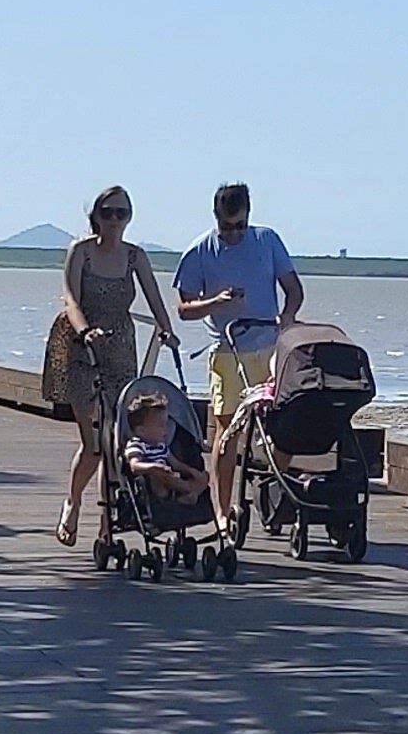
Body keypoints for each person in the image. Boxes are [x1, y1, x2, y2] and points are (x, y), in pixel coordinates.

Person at [51, 188, 179, 546]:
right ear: (96, 215)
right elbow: (70, 299)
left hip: (122, 349)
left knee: (118, 440)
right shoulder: (82, 251)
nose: (115, 220)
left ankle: (108, 524)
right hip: (83, 349)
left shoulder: (135, 256)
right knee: (94, 442)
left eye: (122, 213)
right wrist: (85, 330)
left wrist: (166, 330)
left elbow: (154, 297)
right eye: (108, 213)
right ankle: (73, 502)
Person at [172, 182, 304, 528]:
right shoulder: (200, 251)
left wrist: (288, 317)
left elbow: (293, 289)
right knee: (226, 431)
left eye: (240, 226)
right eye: (227, 227)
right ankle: (222, 510)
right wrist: (215, 302)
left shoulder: (267, 240)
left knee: (287, 423)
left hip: (269, 347)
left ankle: (272, 494)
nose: (233, 234)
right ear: (216, 218)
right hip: (227, 352)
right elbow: (184, 308)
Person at [116, 376, 210, 515]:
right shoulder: (136, 445)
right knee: (158, 476)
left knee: (204, 476)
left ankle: (191, 492)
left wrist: (191, 471)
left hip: (171, 479)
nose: (166, 429)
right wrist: (153, 467)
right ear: (142, 430)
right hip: (152, 484)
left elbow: (176, 464)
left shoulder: (161, 446)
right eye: (161, 426)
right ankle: (189, 491)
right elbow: (134, 465)